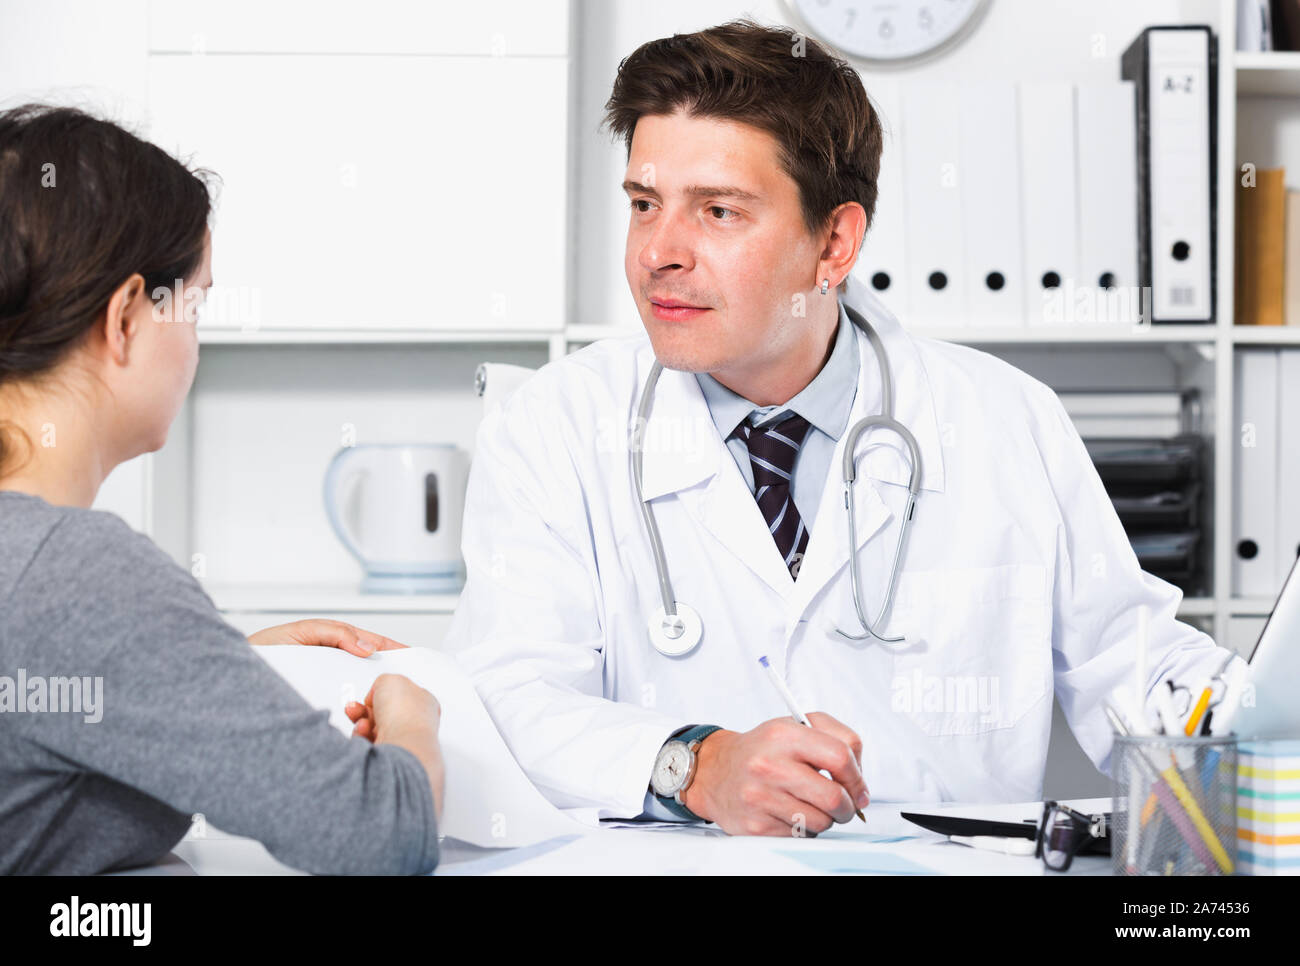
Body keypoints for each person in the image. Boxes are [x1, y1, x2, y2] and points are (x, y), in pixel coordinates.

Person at [449, 20, 1242, 837]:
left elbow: (1139, 670)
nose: (659, 253)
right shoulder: (553, 427)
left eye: (717, 210)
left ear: (834, 242)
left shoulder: (1003, 419)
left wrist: (1252, 718)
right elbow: (508, 696)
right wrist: (694, 763)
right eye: (645, 205)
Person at [0, 104, 443, 874]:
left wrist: (208, 666)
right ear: (127, 318)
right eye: (196, 306)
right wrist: (415, 718)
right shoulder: (75, 574)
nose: (197, 343)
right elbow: (382, 836)